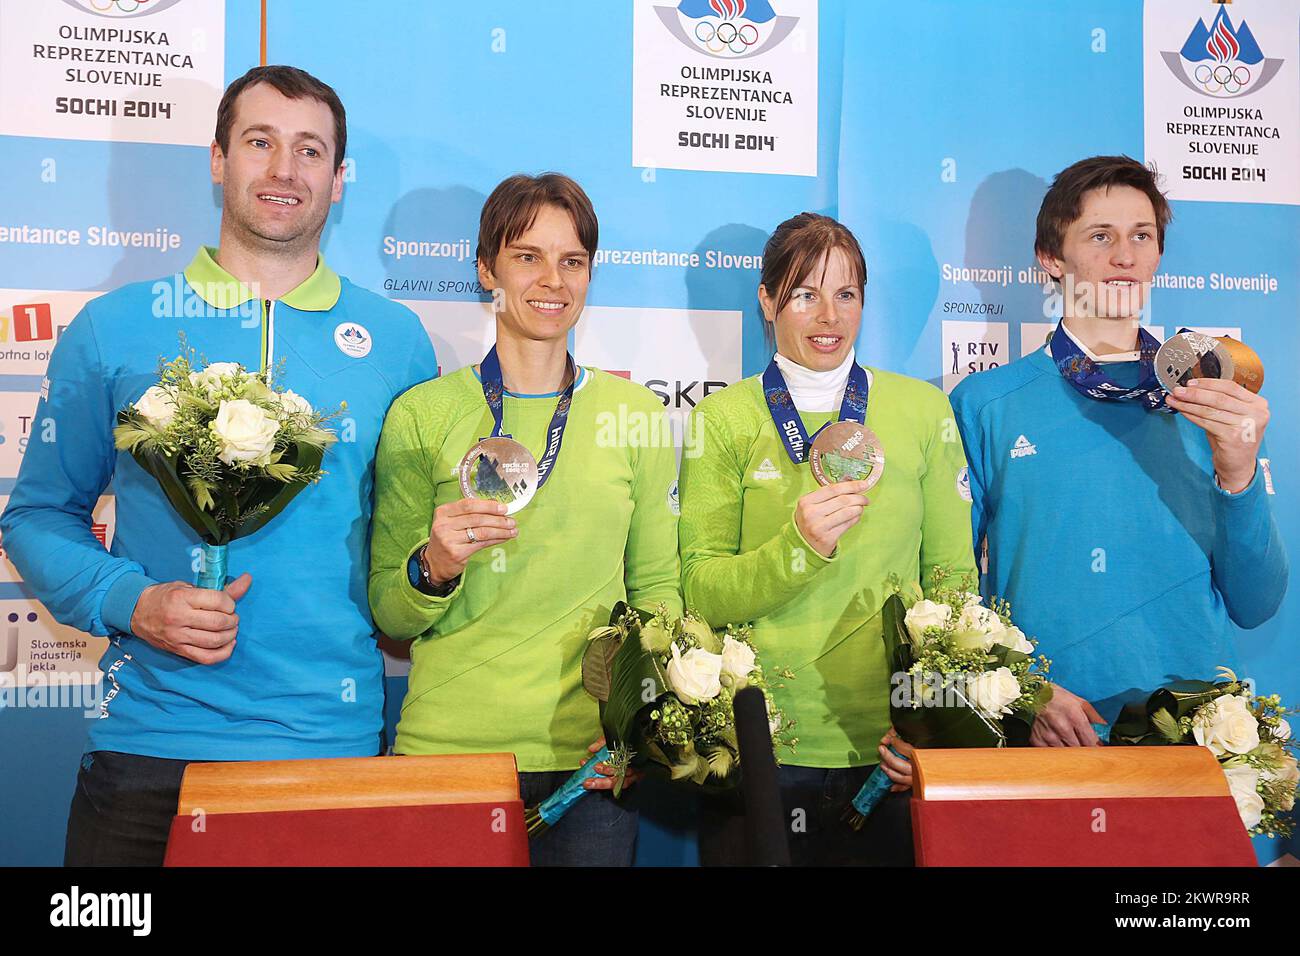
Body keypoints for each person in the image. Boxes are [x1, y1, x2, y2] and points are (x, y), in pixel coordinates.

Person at [0, 65, 438, 865]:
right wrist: (132, 601)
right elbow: (36, 515)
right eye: (259, 142)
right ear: (216, 159)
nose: (283, 170)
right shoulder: (115, 327)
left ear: (338, 182)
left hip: (329, 749)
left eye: (310, 151)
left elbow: (404, 547)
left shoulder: (398, 340)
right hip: (149, 749)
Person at [368, 172, 681, 866]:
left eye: (573, 261)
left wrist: (637, 723)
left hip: (591, 767)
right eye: (527, 256)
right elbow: (391, 611)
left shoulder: (637, 418)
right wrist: (434, 566)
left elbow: (658, 592)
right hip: (448, 758)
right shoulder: (423, 415)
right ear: (486, 270)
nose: (553, 280)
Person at [950, 155, 1288, 745]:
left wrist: (1238, 474)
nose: (1125, 257)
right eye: (1100, 236)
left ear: (1158, 254)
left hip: (1193, 740)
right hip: (1049, 738)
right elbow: (950, 589)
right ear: (1051, 258)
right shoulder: (988, 402)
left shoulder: (1211, 400)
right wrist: (1025, 689)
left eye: (1142, 236)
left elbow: (1256, 602)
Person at [677, 212, 976, 865]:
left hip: (892, 750)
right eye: (804, 293)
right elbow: (701, 589)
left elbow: (954, 583)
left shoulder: (922, 411)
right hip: (760, 748)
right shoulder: (722, 419)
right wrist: (799, 547)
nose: (828, 316)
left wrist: (937, 727)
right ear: (766, 299)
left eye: (846, 294)